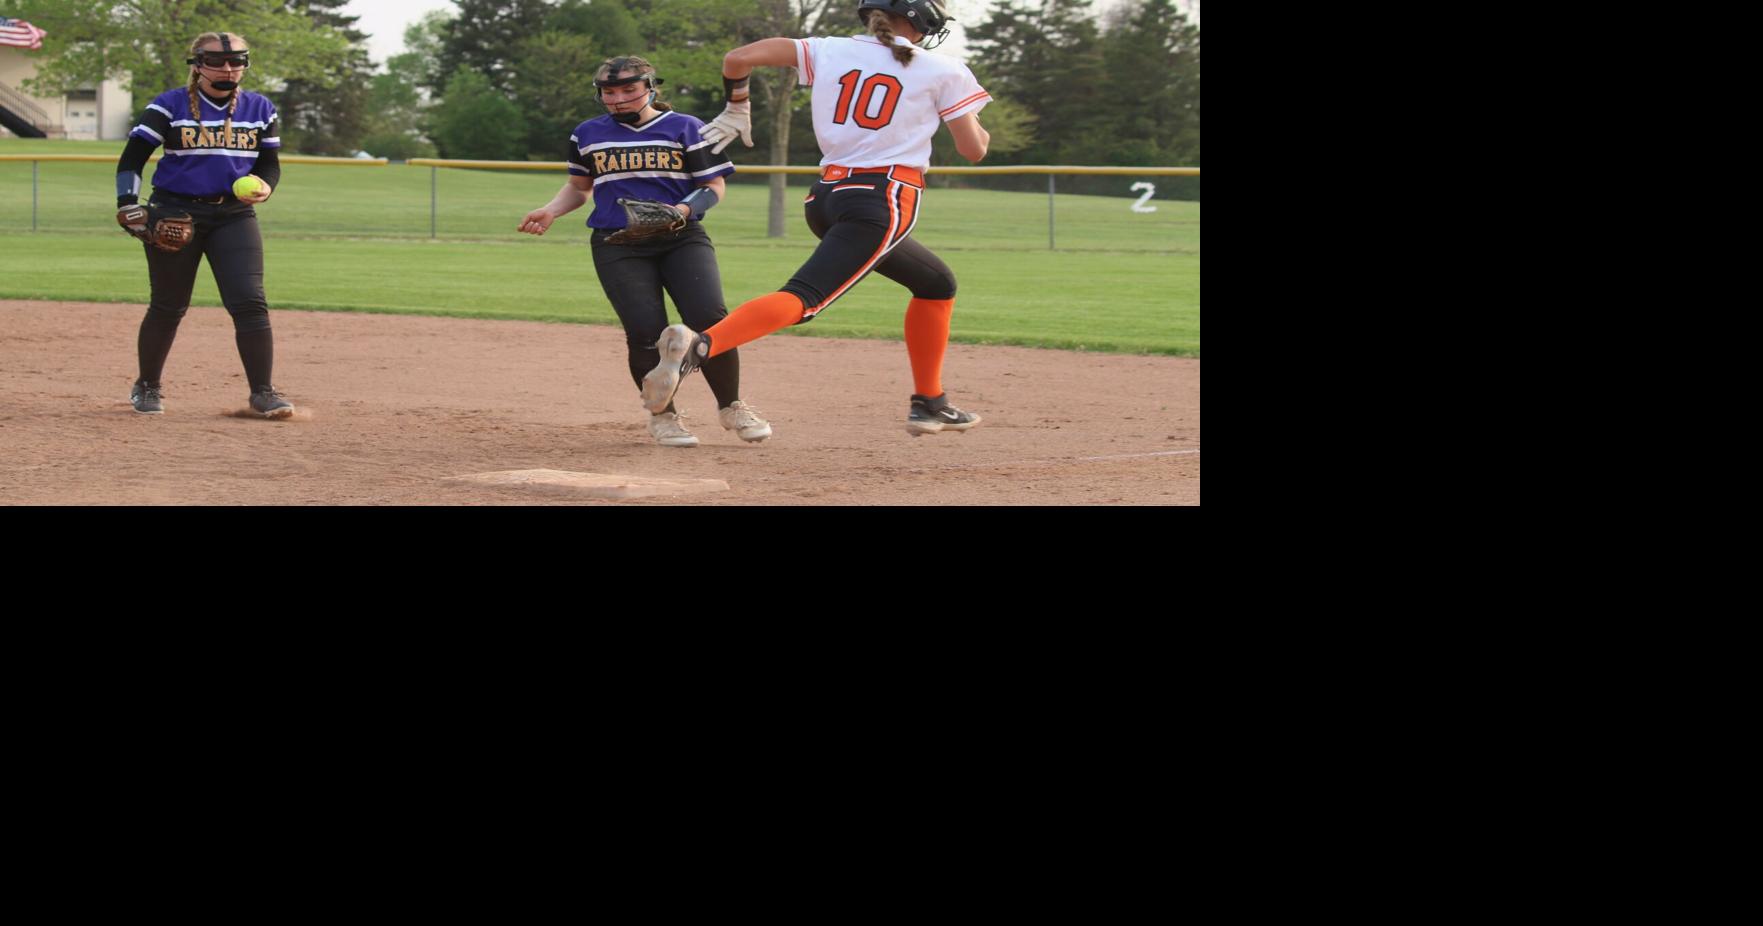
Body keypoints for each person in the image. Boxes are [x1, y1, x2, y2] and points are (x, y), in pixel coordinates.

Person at [640, 0, 991, 437]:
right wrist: (977, 124)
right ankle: (700, 345)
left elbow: (737, 59)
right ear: (923, 21)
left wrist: (737, 106)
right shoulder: (943, 68)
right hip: (882, 198)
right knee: (804, 298)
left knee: (936, 284)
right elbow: (972, 150)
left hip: (824, 197)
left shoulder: (828, 48)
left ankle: (929, 402)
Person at [519, 55, 771, 447]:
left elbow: (713, 188)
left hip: (681, 237)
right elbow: (580, 187)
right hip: (617, 243)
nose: (618, 99)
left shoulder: (687, 127)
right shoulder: (587, 133)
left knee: (711, 319)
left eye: (628, 89)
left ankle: (731, 406)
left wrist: (681, 210)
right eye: (609, 92)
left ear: (650, 87)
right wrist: (551, 210)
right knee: (644, 332)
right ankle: (664, 417)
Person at [116, 31, 293, 418]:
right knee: (169, 305)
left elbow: (268, 163)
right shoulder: (169, 106)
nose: (227, 68)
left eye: (236, 61)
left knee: (250, 302)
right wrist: (128, 203)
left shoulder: (261, 108)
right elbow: (132, 159)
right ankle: (147, 386)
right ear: (197, 65)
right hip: (175, 213)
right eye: (215, 61)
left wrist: (266, 185)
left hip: (234, 214)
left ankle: (263, 392)